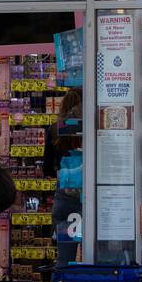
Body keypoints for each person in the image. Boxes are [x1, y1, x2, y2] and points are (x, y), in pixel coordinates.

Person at [44, 88, 83, 267]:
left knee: (64, 258)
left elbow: (48, 169)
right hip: (86, 196)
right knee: (97, 253)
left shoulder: (54, 129)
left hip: (63, 198)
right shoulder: (88, 129)